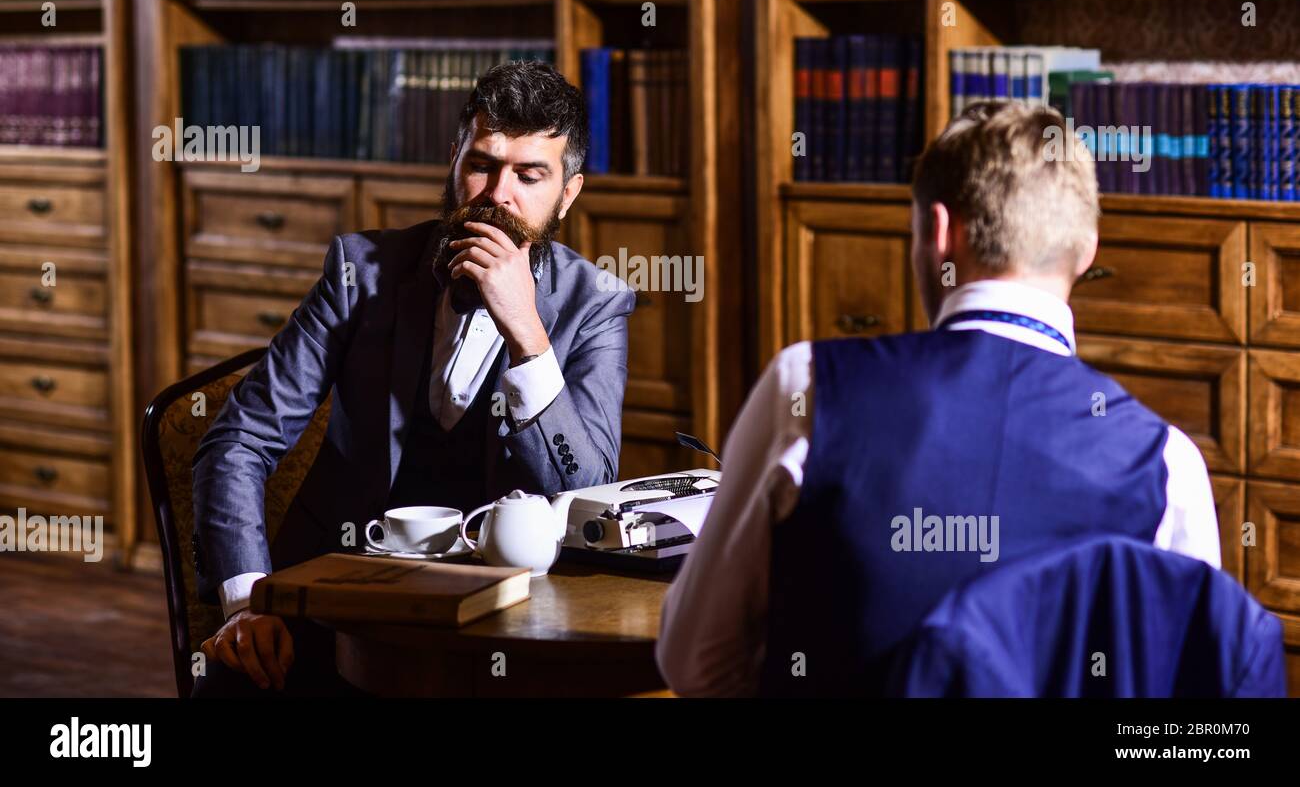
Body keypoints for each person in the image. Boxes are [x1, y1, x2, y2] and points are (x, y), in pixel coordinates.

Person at [656, 100, 1221, 697]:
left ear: (939, 231)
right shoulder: (1168, 464)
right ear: (1087, 250)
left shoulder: (809, 386)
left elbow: (697, 660)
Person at [190, 59, 635, 696]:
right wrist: (247, 604)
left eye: (529, 175)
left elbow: (584, 490)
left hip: (503, 617)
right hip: (335, 604)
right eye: (482, 164)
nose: (496, 195)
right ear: (454, 160)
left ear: (568, 192)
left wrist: (528, 337)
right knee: (229, 687)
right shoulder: (360, 271)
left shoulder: (596, 303)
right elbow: (237, 442)